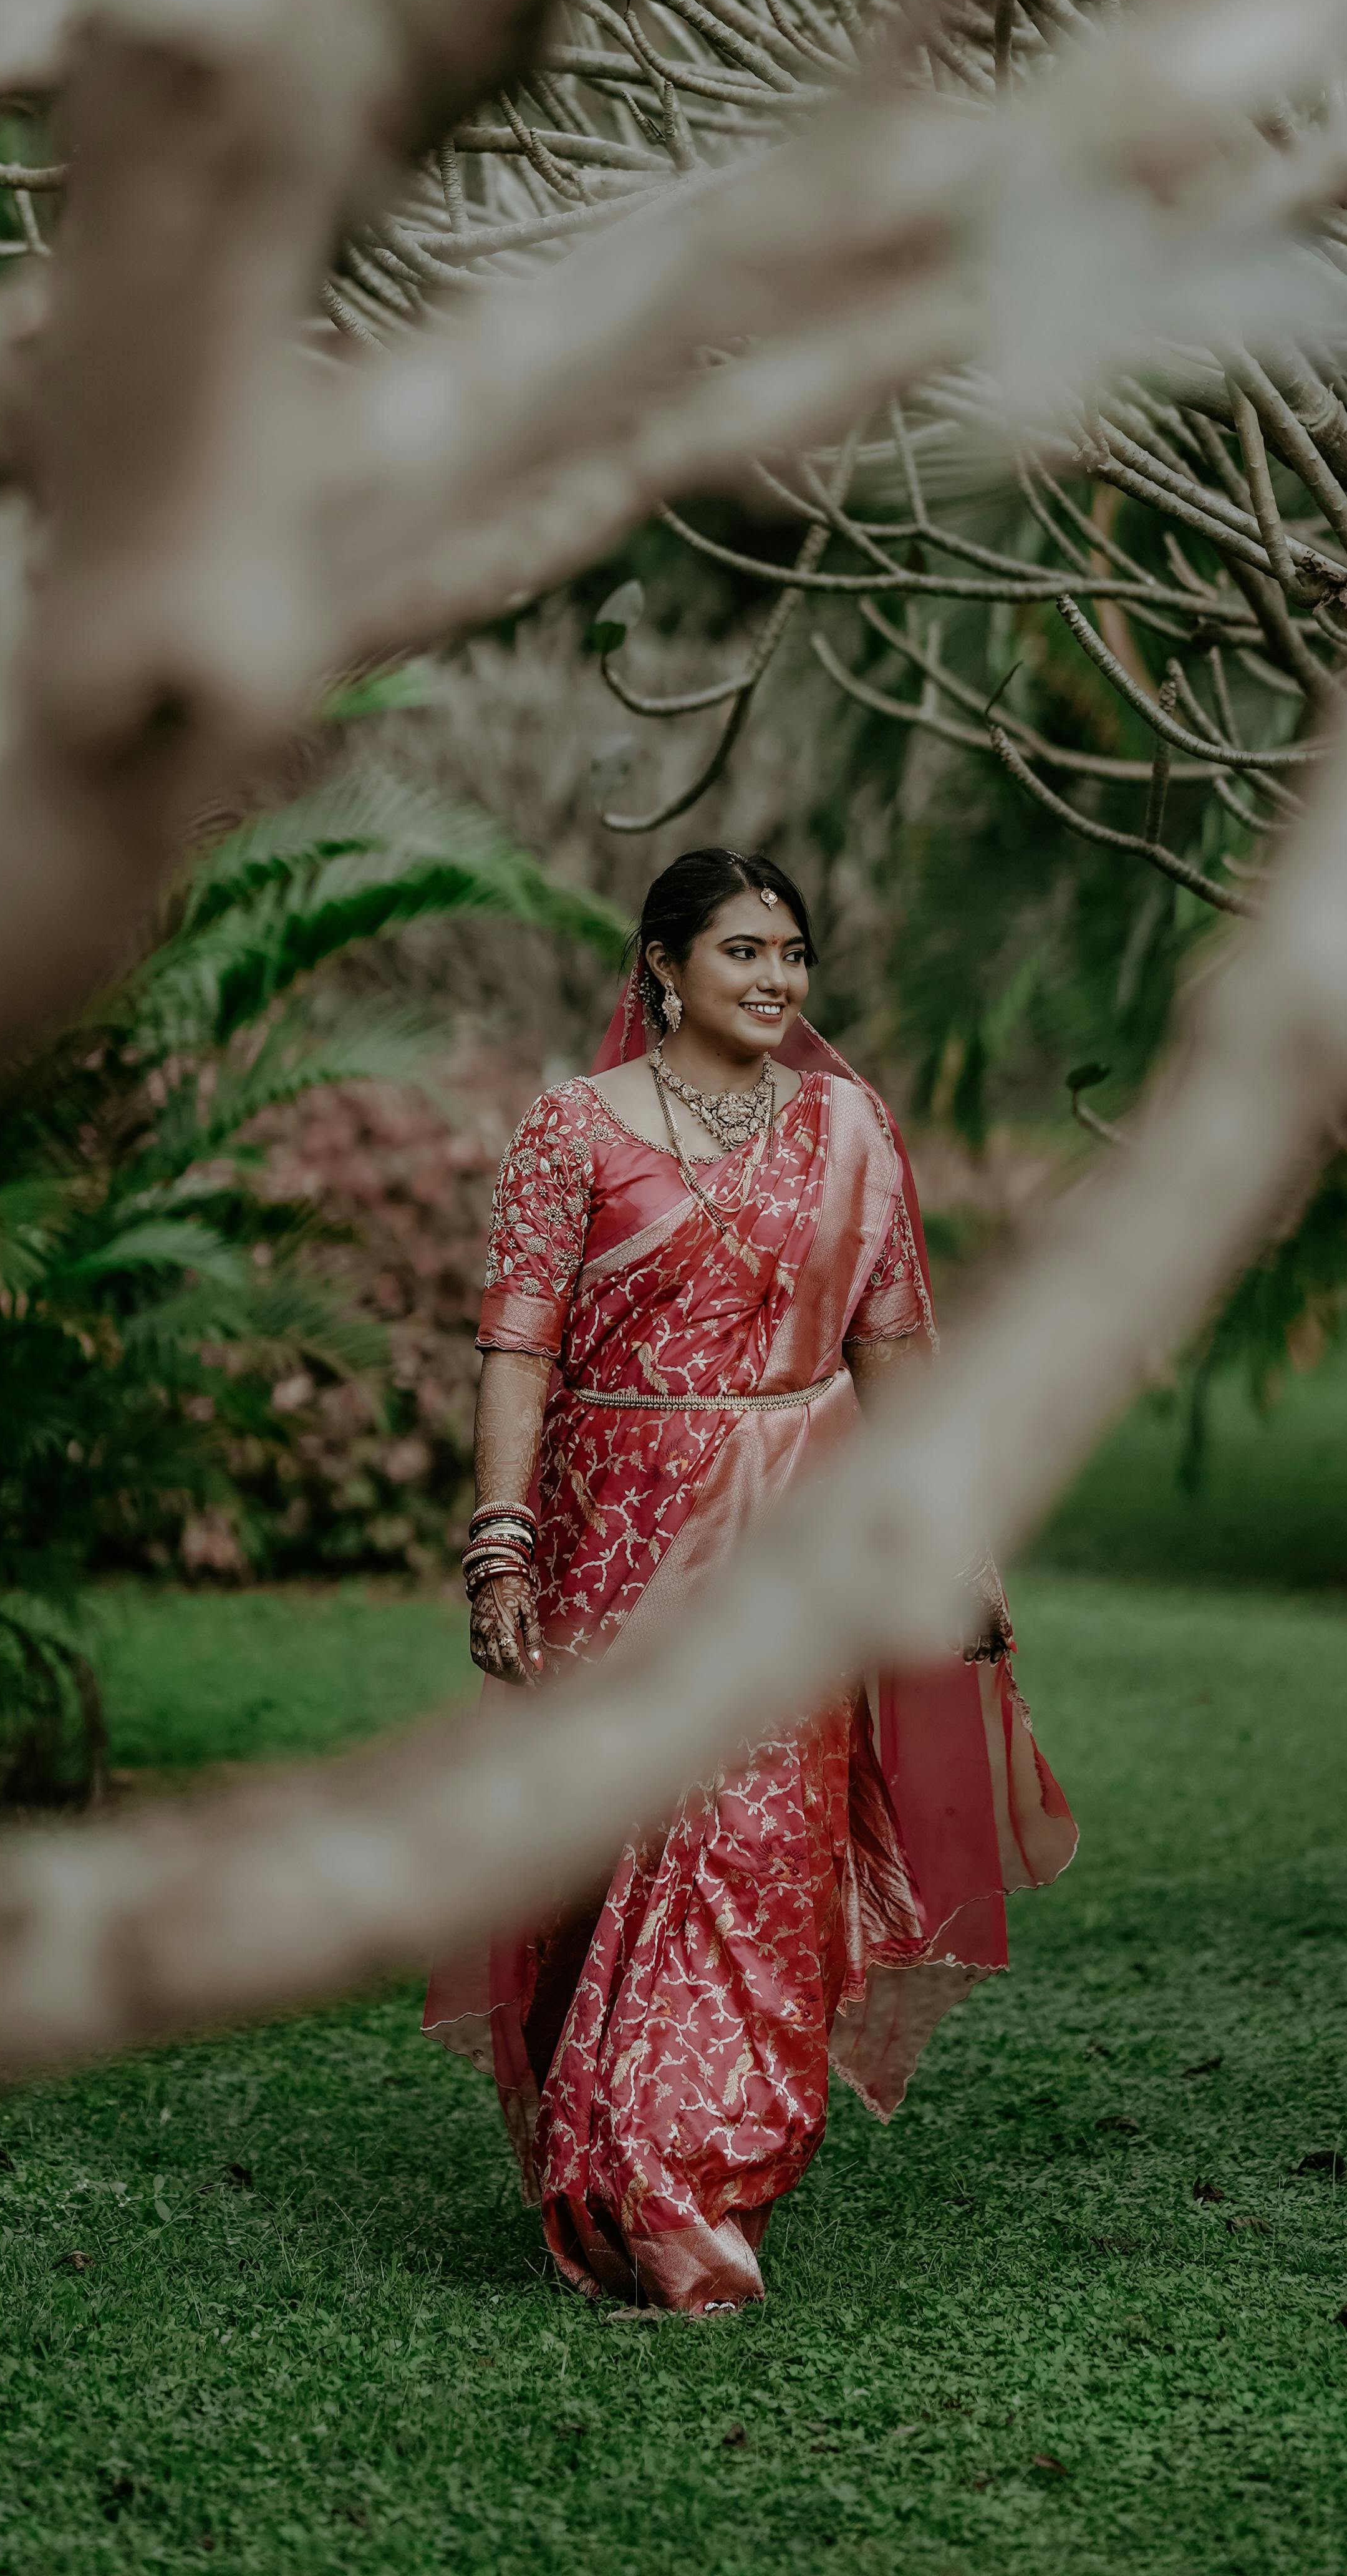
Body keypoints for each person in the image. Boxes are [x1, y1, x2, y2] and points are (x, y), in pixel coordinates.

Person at [424, 845, 1076, 2315]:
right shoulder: (570, 1130)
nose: (777, 979)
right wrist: (501, 1537)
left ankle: (689, 2190)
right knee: (603, 1864)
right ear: (660, 965)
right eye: (743, 951)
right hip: (617, 1540)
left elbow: (894, 1346)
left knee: (757, 1858)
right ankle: (606, 2167)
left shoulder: (849, 1128)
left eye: (793, 953)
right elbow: (517, 1348)